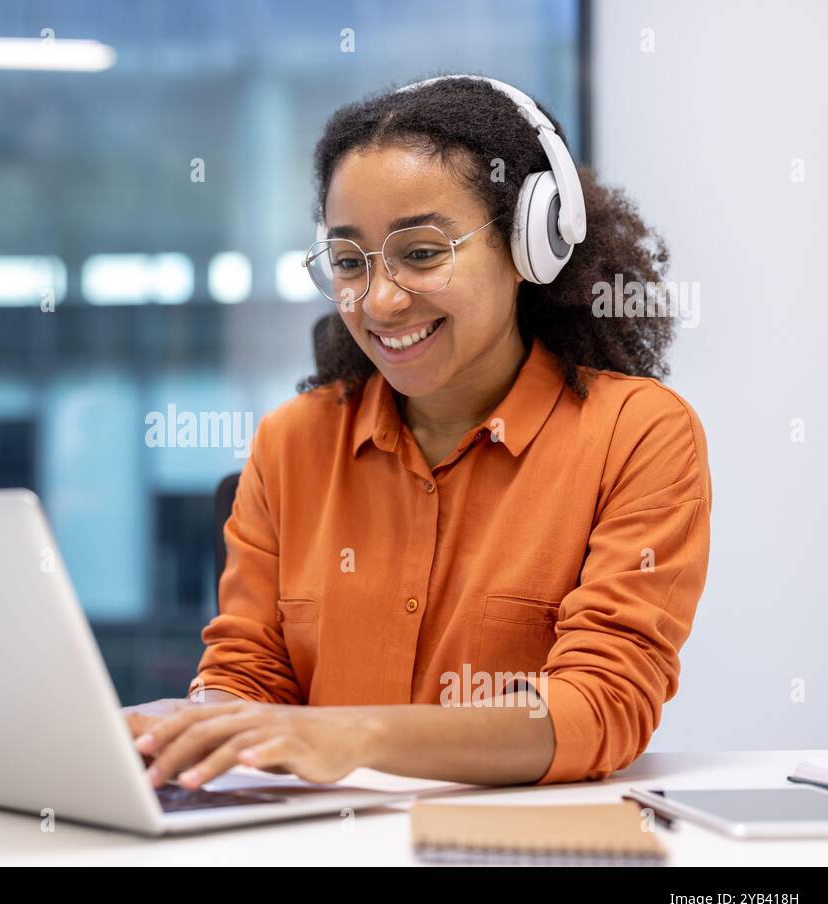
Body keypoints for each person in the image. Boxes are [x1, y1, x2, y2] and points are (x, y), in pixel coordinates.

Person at [126, 75, 710, 791]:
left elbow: (602, 705)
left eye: (423, 252)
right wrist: (198, 723)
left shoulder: (637, 434)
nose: (379, 299)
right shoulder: (291, 444)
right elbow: (249, 672)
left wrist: (353, 733)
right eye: (348, 262)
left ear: (533, 245)